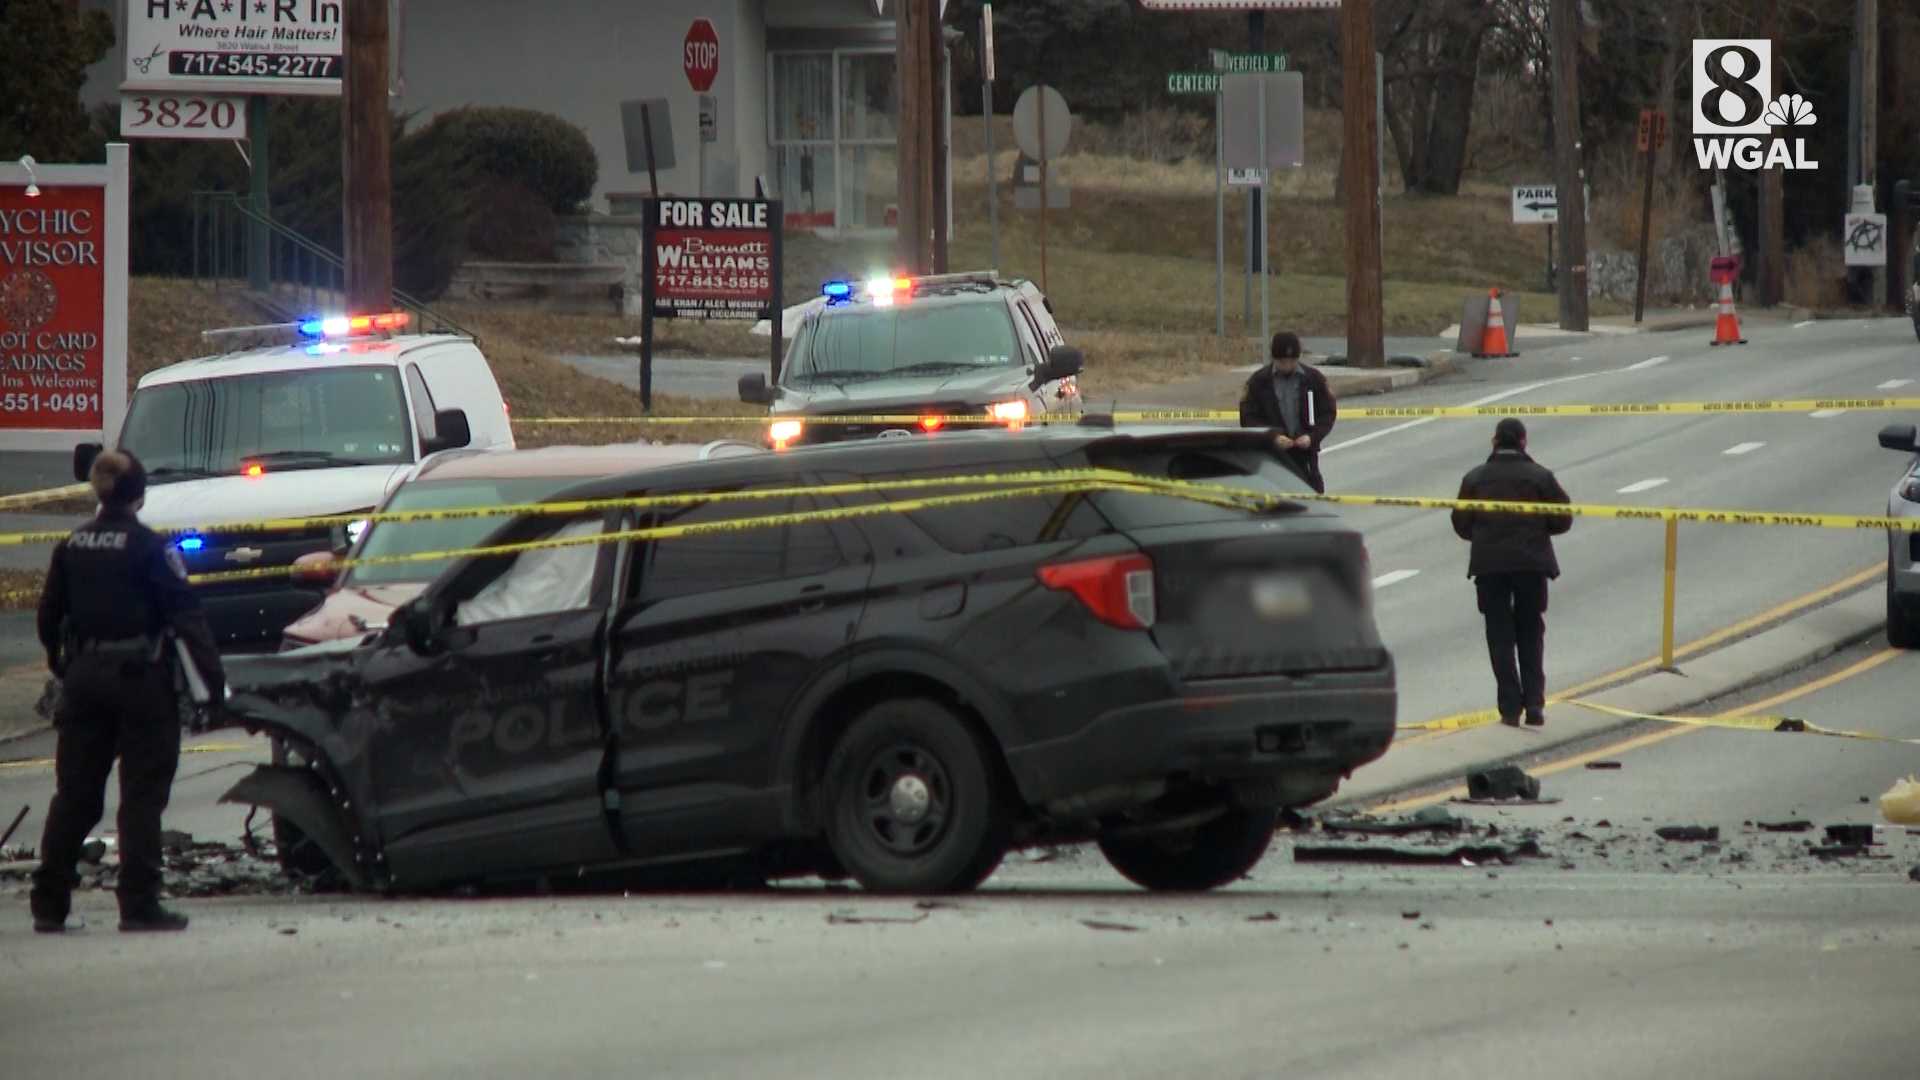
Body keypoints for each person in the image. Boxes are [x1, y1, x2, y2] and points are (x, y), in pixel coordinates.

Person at [30, 450, 224, 933]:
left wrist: (65, 665)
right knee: (141, 796)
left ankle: (49, 903)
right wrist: (213, 687)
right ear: (139, 494)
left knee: (75, 795)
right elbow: (188, 618)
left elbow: (48, 617)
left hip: (84, 680)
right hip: (141, 681)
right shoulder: (149, 548)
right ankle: (138, 904)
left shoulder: (73, 544)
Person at [1451, 419, 1572, 727]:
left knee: (1499, 634)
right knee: (1531, 630)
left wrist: (1484, 536)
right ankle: (1534, 703)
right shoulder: (1540, 477)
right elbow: (1563, 518)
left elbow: (1461, 524)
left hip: (1490, 566)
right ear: (1523, 441)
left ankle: (1509, 707)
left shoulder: (1475, 478)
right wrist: (1537, 530)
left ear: (1494, 442)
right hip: (1531, 564)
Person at [1239, 331, 1337, 493]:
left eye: (1292, 361)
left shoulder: (1313, 379)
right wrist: (1272, 437)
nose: (1287, 366)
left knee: (1311, 495)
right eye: (1282, 362)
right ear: (1274, 358)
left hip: (1305, 455)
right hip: (1272, 456)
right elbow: (1248, 418)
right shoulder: (1259, 382)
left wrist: (1312, 437)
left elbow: (1328, 413)